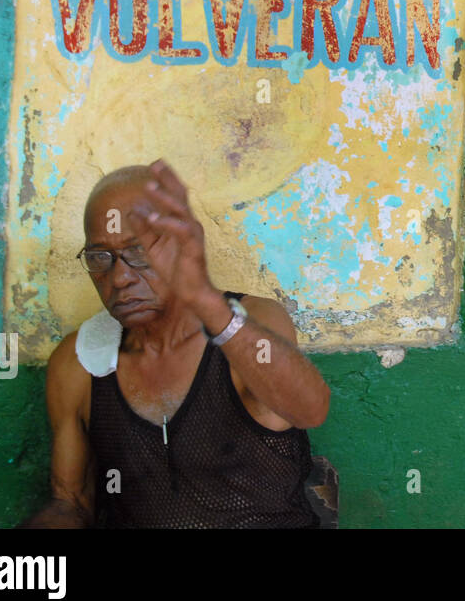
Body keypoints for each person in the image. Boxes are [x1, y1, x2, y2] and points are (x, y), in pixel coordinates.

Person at [21, 160, 330, 528]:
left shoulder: (254, 322)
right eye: (99, 257)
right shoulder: (80, 361)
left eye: (138, 252)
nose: (119, 277)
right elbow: (69, 503)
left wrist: (204, 300)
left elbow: (309, 409)